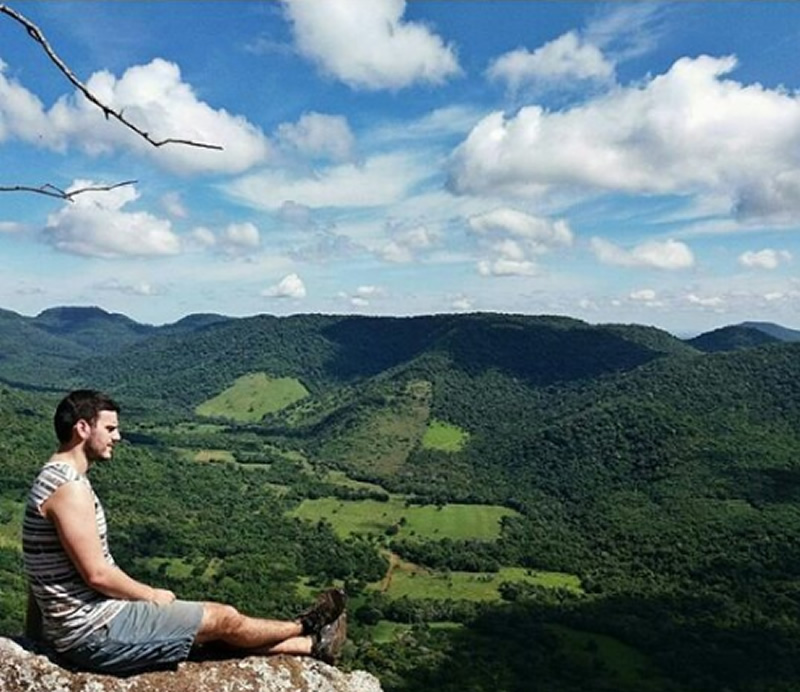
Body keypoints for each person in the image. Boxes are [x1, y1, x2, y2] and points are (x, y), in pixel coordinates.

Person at [22, 389, 347, 675]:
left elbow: (40, 569)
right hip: (95, 632)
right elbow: (97, 574)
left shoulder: (51, 478)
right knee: (224, 619)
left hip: (85, 626)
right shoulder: (69, 488)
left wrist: (36, 636)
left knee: (202, 633)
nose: (117, 437)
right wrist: (151, 596)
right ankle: (307, 626)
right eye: (110, 428)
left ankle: (309, 647)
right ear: (82, 428)